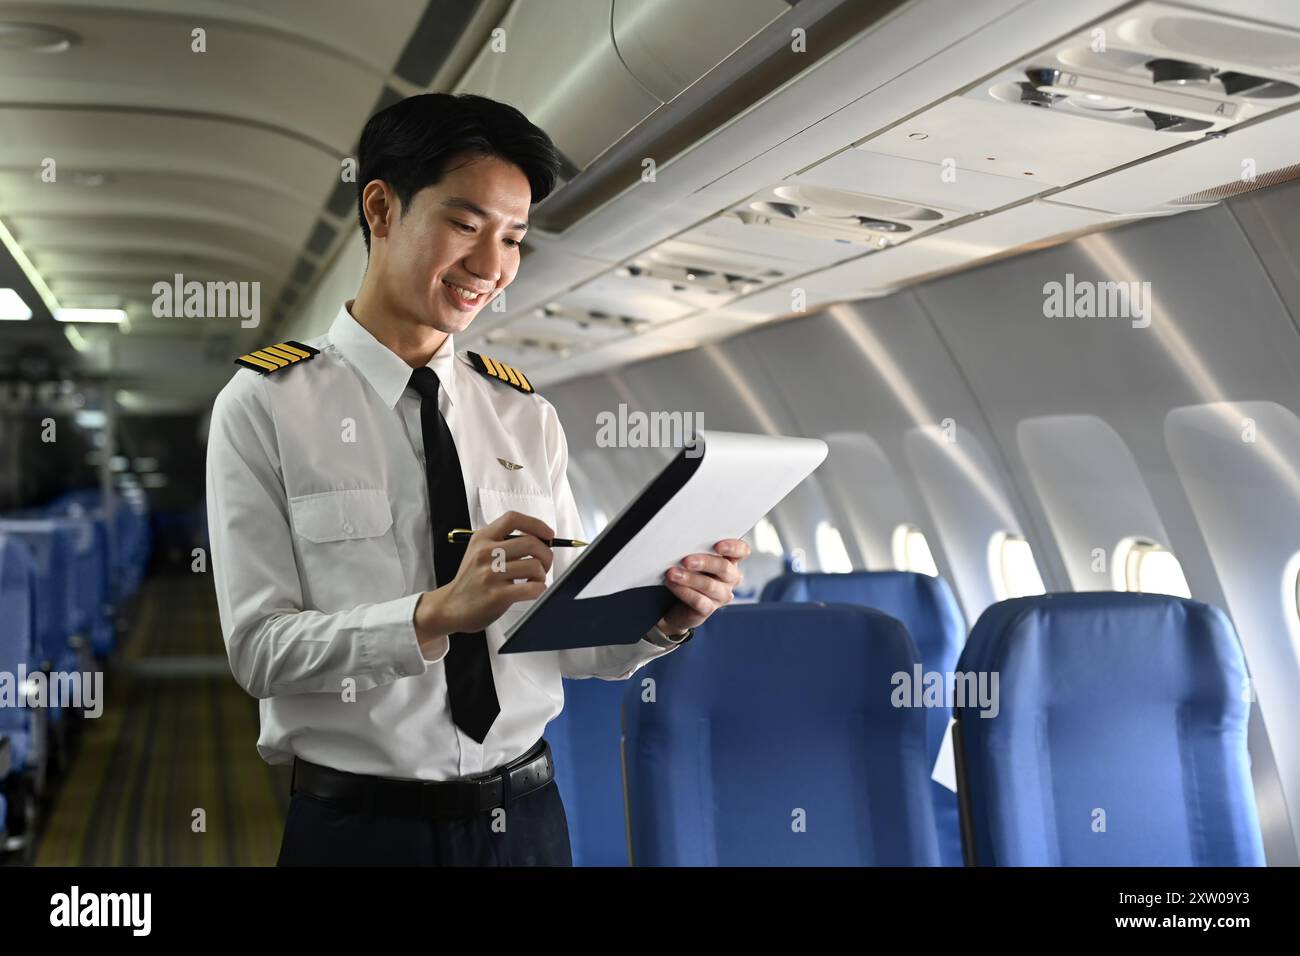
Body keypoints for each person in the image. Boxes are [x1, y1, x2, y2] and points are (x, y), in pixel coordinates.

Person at [205, 93, 749, 866]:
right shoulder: (265, 406)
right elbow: (259, 650)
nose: (491, 268)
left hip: (526, 819)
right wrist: (433, 614)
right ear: (382, 208)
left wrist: (664, 615)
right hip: (360, 831)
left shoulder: (525, 415)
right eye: (465, 225)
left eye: (513, 238)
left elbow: (557, 638)